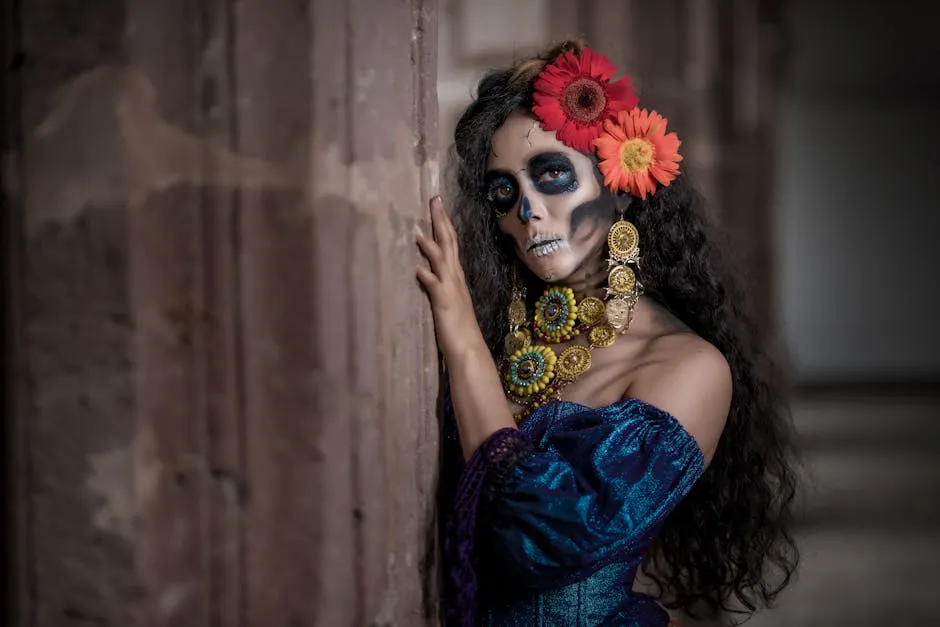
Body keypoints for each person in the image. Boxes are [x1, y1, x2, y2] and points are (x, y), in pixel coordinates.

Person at [416, 40, 798, 627]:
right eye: (504, 192)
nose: (529, 210)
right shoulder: (507, 338)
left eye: (552, 175)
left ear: (619, 185)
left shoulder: (687, 369)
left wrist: (462, 337)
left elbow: (532, 536)